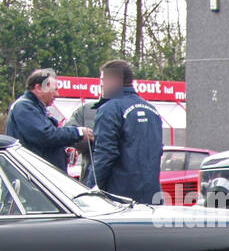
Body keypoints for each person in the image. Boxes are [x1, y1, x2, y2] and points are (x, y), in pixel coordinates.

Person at [92, 59, 163, 204]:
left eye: (103, 79)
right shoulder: (152, 110)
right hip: (152, 197)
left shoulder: (109, 110)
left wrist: (90, 188)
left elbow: (105, 154)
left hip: (119, 200)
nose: (101, 84)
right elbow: (158, 151)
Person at [4, 69, 91, 171]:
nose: (57, 94)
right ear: (39, 88)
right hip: (34, 175)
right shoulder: (24, 107)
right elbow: (46, 135)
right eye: (54, 89)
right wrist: (78, 132)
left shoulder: (33, 108)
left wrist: (63, 151)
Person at [68, 97, 98, 185]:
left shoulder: (135, 108)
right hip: (90, 177)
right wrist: (83, 136)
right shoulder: (86, 109)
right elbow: (66, 136)